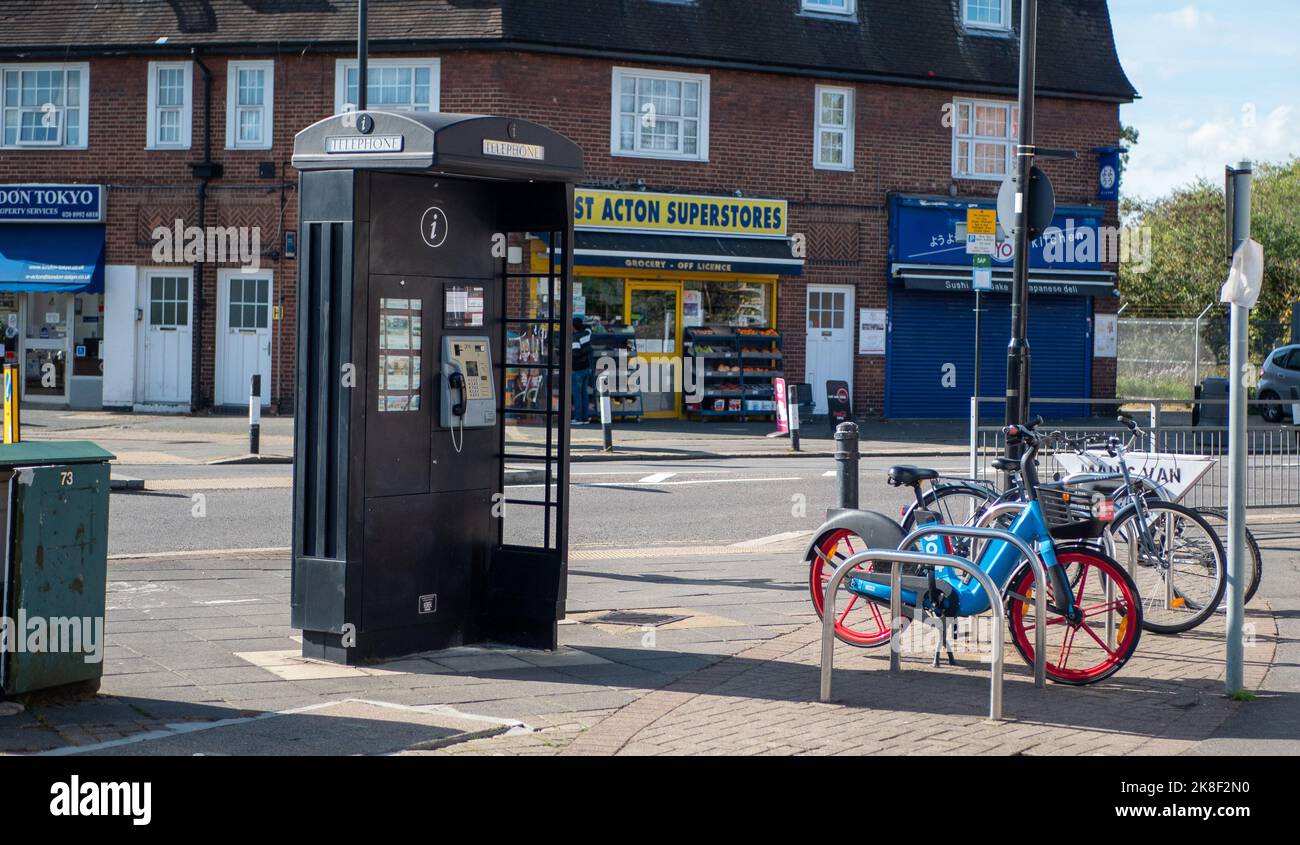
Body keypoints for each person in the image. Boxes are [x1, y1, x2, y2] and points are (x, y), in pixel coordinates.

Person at [571, 316, 593, 424]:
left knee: (577, 394)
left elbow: (575, 354)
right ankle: (585, 417)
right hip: (587, 367)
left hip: (578, 369)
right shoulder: (587, 334)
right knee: (584, 394)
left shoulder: (575, 338)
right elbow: (589, 327)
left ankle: (578, 418)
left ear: (573, 327)